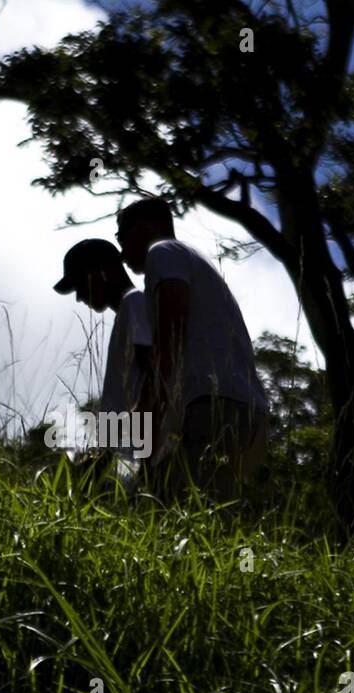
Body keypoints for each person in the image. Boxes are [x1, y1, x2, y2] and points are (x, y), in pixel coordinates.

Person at [115, 197, 269, 500]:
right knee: (211, 510)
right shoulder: (189, 259)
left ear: (146, 227)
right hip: (241, 410)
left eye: (122, 237)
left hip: (216, 406)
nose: (121, 252)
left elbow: (171, 332)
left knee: (174, 505)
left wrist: (148, 405)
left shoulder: (162, 252)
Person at [53, 238, 156, 473]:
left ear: (102, 273)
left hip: (139, 456)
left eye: (80, 284)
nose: (79, 297)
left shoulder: (134, 303)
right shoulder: (128, 312)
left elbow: (154, 373)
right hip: (128, 457)